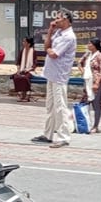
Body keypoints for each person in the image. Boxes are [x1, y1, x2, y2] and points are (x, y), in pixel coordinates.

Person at [32, 11, 77, 148]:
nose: (55, 21)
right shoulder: (58, 32)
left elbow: (53, 54)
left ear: (66, 20)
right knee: (50, 106)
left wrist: (48, 48)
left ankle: (63, 137)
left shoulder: (69, 36)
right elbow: (47, 45)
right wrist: (50, 30)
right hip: (51, 74)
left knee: (60, 107)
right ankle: (48, 134)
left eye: (58, 18)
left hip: (59, 75)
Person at [84, 39, 101, 133]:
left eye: (90, 43)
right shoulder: (88, 54)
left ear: (95, 45)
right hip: (87, 81)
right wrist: (83, 72)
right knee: (85, 104)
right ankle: (85, 123)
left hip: (95, 82)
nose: (88, 45)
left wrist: (97, 83)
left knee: (96, 105)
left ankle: (96, 126)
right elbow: (80, 63)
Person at [12, 37, 36, 102]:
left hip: (30, 71)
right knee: (16, 77)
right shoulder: (22, 51)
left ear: (28, 43)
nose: (23, 43)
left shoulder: (33, 51)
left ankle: (26, 96)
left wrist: (29, 69)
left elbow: (34, 64)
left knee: (25, 78)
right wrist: (19, 70)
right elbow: (18, 62)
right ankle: (21, 95)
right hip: (22, 70)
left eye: (24, 41)